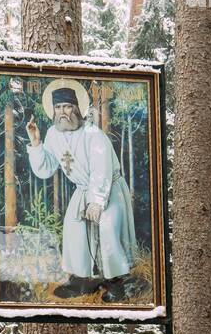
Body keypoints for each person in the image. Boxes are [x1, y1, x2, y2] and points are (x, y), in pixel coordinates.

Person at [26, 78, 139, 302]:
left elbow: (101, 170)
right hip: (83, 190)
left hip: (108, 189)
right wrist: (37, 144)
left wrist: (97, 202)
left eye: (67, 106)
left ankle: (117, 285)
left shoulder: (93, 135)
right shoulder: (52, 134)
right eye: (57, 107)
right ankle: (81, 280)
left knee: (107, 230)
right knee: (74, 228)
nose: (62, 112)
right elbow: (46, 168)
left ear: (77, 108)